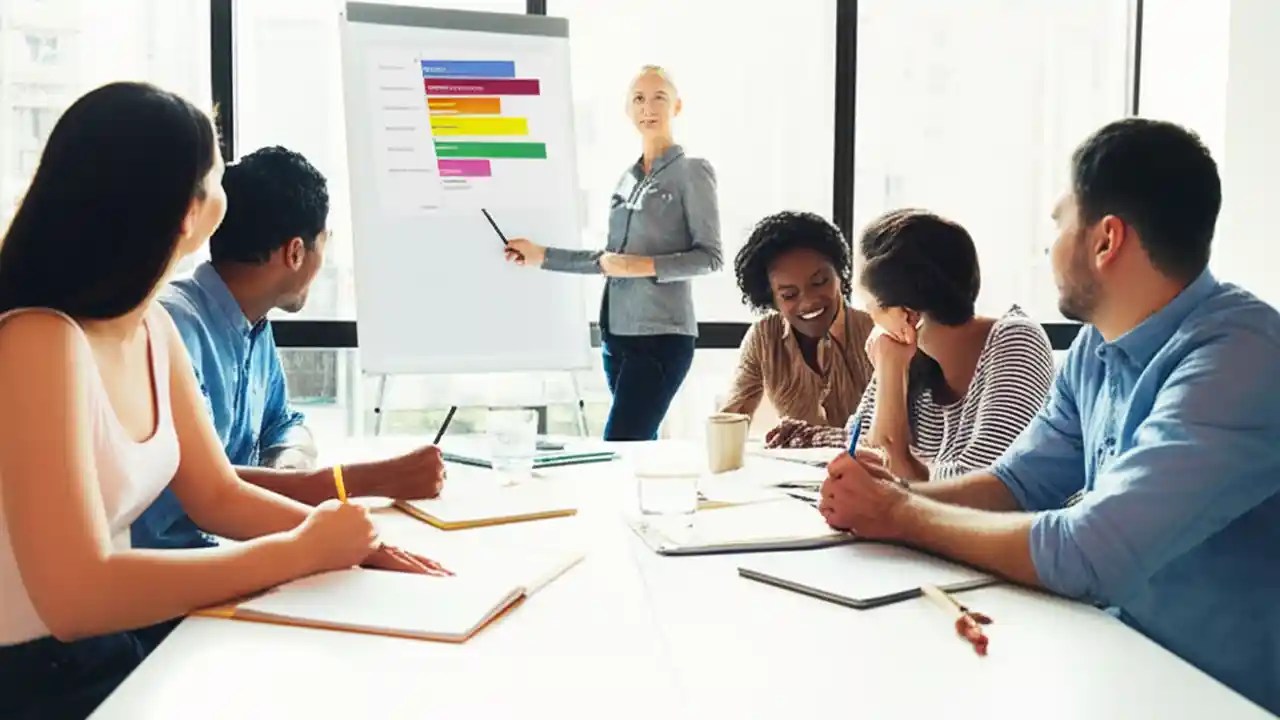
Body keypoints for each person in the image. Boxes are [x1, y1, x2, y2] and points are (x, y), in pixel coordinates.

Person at [0, 83, 443, 720]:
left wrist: (359, 545)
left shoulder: (148, 324)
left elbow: (217, 495)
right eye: (217, 173)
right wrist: (299, 551)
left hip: (106, 652)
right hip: (36, 679)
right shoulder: (38, 339)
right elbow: (76, 598)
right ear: (185, 212)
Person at [819, 119, 1280, 714]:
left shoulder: (1239, 354)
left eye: (1060, 220)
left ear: (1106, 240)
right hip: (1112, 655)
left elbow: (1089, 549)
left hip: (1212, 693)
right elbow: (1019, 483)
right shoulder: (1096, 346)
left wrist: (902, 513)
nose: (1049, 243)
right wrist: (895, 493)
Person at [133, 145, 446, 551]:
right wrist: (369, 479)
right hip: (176, 576)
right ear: (296, 251)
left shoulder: (251, 322)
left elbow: (284, 422)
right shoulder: (173, 327)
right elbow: (204, 487)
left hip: (236, 550)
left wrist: (286, 469)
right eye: (324, 244)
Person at [504, 65, 721, 441]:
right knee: (636, 449)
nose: (648, 107)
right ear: (628, 110)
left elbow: (710, 257)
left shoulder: (691, 172)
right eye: (638, 98)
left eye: (659, 98)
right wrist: (542, 255)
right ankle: (652, 501)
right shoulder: (627, 179)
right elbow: (608, 260)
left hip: (662, 337)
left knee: (621, 442)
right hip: (616, 336)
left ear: (677, 106)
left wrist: (643, 266)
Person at [770, 210, 1055, 483]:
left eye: (870, 307)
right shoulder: (911, 351)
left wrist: (890, 370)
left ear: (909, 315)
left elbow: (984, 487)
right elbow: (863, 449)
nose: (872, 322)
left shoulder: (1016, 342)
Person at [721, 211, 875, 429]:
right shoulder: (764, 338)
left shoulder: (875, 332)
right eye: (789, 295)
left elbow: (902, 436)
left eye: (820, 282)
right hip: (796, 463)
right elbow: (730, 420)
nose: (809, 302)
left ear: (840, 273)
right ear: (772, 299)